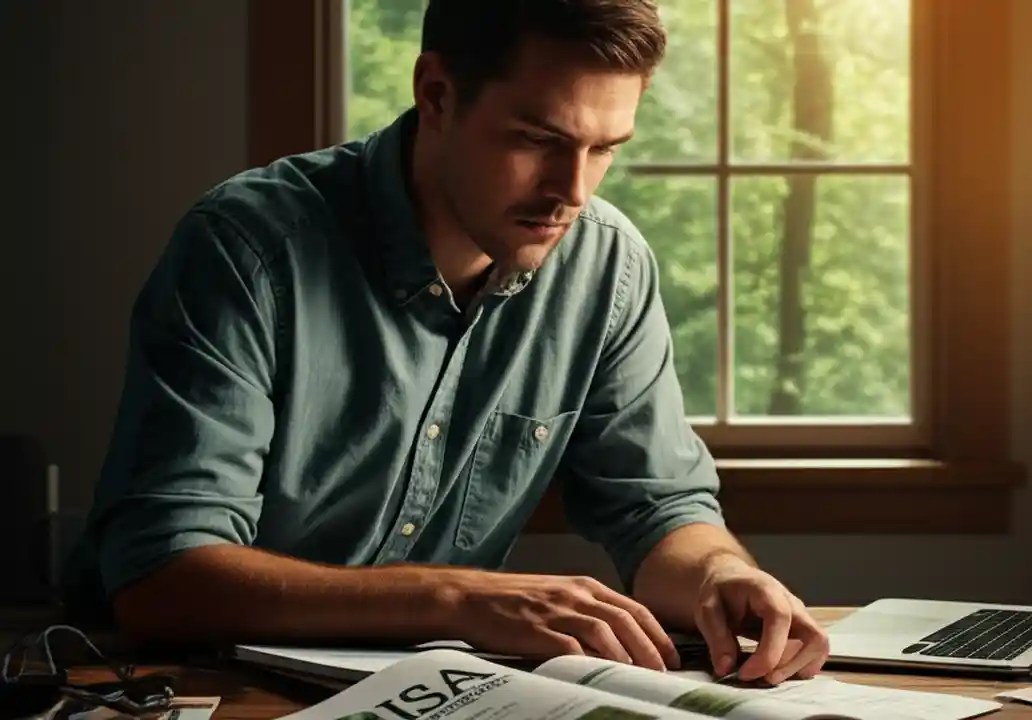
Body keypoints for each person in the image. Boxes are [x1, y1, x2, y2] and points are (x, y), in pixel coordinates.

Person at [62, 0, 829, 685]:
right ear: (436, 93)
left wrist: (718, 574)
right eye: (538, 139)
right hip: (187, 689)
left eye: (605, 148)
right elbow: (161, 576)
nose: (574, 190)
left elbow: (658, 507)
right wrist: (456, 597)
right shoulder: (248, 250)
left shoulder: (609, 267)